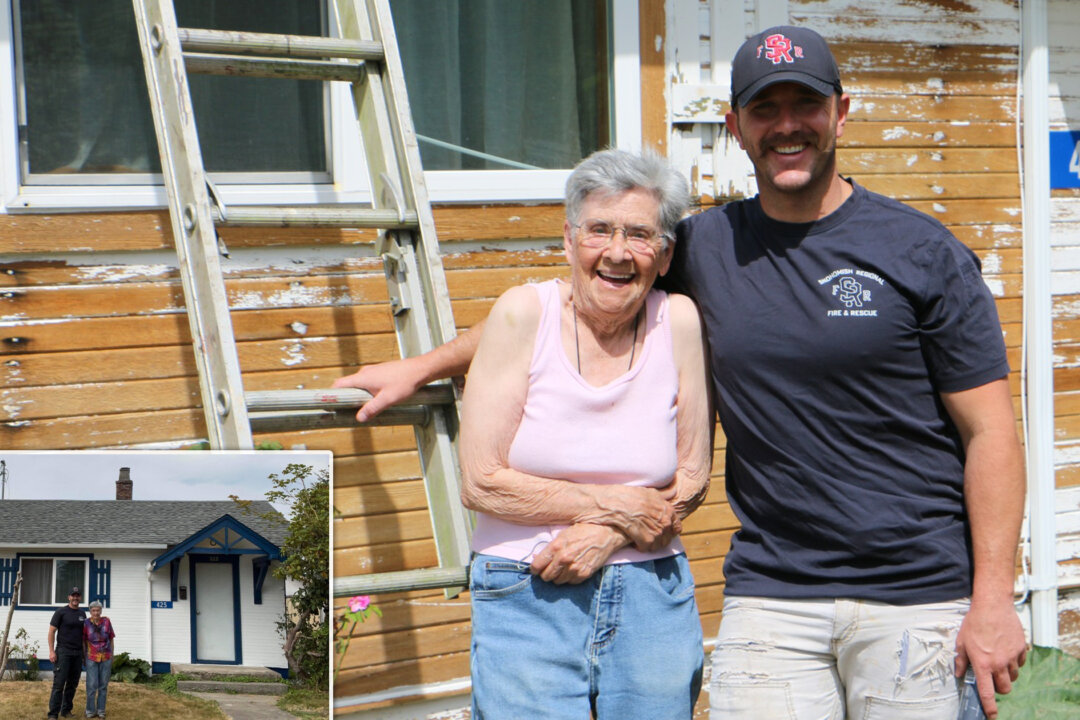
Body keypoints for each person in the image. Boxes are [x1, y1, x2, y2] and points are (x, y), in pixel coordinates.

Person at [334, 26, 1027, 720]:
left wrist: (994, 600)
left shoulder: (921, 252)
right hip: (774, 597)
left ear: (840, 114)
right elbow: (567, 309)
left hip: (917, 596)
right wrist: (423, 366)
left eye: (806, 105)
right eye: (764, 109)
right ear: (735, 127)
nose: (787, 126)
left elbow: (991, 433)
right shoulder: (703, 245)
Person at [458, 148, 711, 718]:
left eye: (640, 235)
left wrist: (608, 535)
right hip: (527, 585)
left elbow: (693, 476)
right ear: (569, 241)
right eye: (599, 230)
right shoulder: (523, 313)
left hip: (652, 585)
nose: (617, 252)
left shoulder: (680, 321)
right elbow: (480, 481)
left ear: (665, 255)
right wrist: (619, 508)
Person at [47, 586, 86, 720]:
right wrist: (52, 651)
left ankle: (66, 710)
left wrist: (84, 656)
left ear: (80, 597)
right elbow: (51, 631)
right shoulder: (61, 612)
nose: (75, 598)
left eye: (77, 595)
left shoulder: (82, 614)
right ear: (69, 597)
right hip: (63, 652)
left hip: (77, 653)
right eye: (73, 595)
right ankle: (53, 714)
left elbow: (83, 636)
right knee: (59, 684)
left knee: (72, 684)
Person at [83, 600, 115, 719]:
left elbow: (111, 639)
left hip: (106, 657)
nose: (96, 612)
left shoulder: (107, 621)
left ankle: (101, 710)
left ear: (101, 611)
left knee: (103, 685)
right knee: (91, 685)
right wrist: (83, 656)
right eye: (93, 610)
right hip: (91, 657)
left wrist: (112, 655)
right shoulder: (86, 623)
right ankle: (90, 710)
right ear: (90, 611)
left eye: (98, 610)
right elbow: (84, 641)